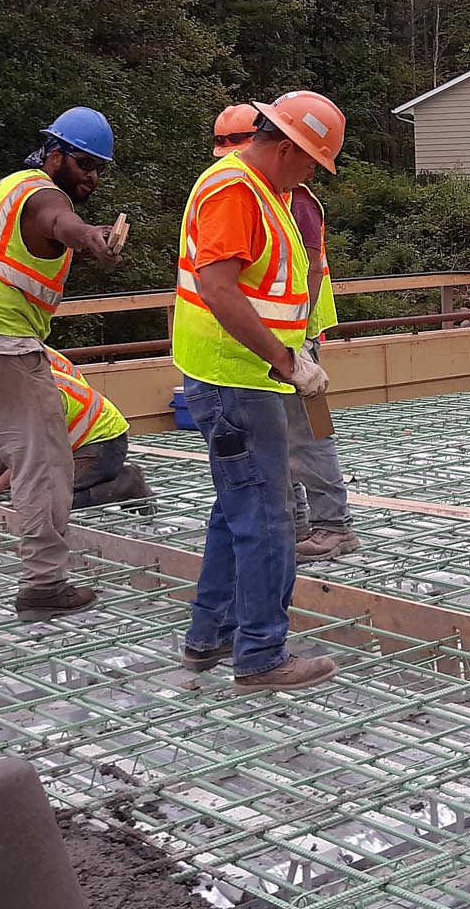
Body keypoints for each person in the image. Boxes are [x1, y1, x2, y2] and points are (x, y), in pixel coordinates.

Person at [174, 91, 347, 692]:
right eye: (313, 162)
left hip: (242, 377)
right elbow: (219, 289)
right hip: (237, 380)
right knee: (269, 521)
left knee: (236, 511)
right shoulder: (235, 191)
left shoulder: (262, 190)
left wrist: (293, 352)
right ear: (287, 147)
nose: (313, 175)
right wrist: (287, 361)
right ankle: (262, 655)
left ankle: (211, 634)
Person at [0, 107, 121, 620]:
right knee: (46, 464)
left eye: (99, 168)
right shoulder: (45, 196)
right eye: (83, 164)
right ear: (54, 155)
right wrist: (92, 237)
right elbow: (62, 223)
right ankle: (44, 585)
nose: (91, 177)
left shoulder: (10, 187)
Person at [210, 104, 358, 561]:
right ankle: (295, 524)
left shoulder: (296, 199)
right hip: (265, 342)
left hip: (296, 338)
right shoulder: (248, 190)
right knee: (277, 439)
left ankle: (333, 525)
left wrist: (299, 346)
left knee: (309, 433)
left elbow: (308, 269)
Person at [0, 348, 151, 508]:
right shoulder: (8, 370)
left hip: (103, 442)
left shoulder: (41, 396)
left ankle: (127, 483)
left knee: (45, 498)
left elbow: (32, 453)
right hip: (69, 437)